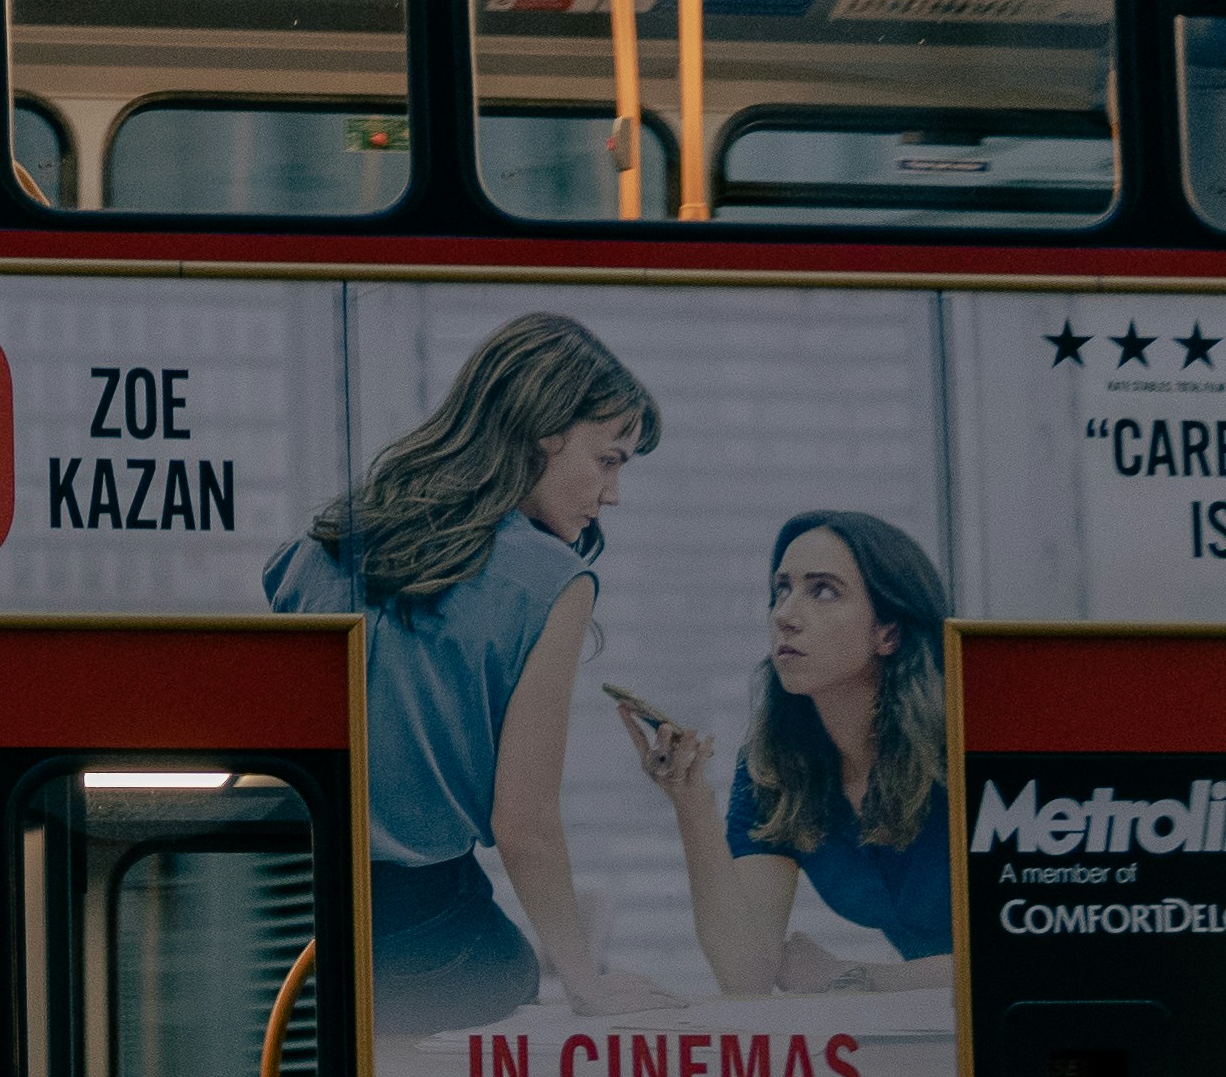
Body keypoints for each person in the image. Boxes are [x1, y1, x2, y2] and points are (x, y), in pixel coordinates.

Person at [265, 311, 670, 1038]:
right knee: (512, 969)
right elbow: (526, 825)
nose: (612, 494)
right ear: (546, 432)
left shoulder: (319, 545)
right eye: (608, 459)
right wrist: (586, 982)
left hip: (283, 909)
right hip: (420, 926)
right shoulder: (551, 579)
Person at [624, 509, 957, 1001]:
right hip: (943, 1024)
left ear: (888, 633)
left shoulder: (965, 746)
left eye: (823, 590)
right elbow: (745, 972)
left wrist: (856, 978)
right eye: (782, 590)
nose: (784, 615)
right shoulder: (775, 765)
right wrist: (690, 800)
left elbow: (1038, 952)